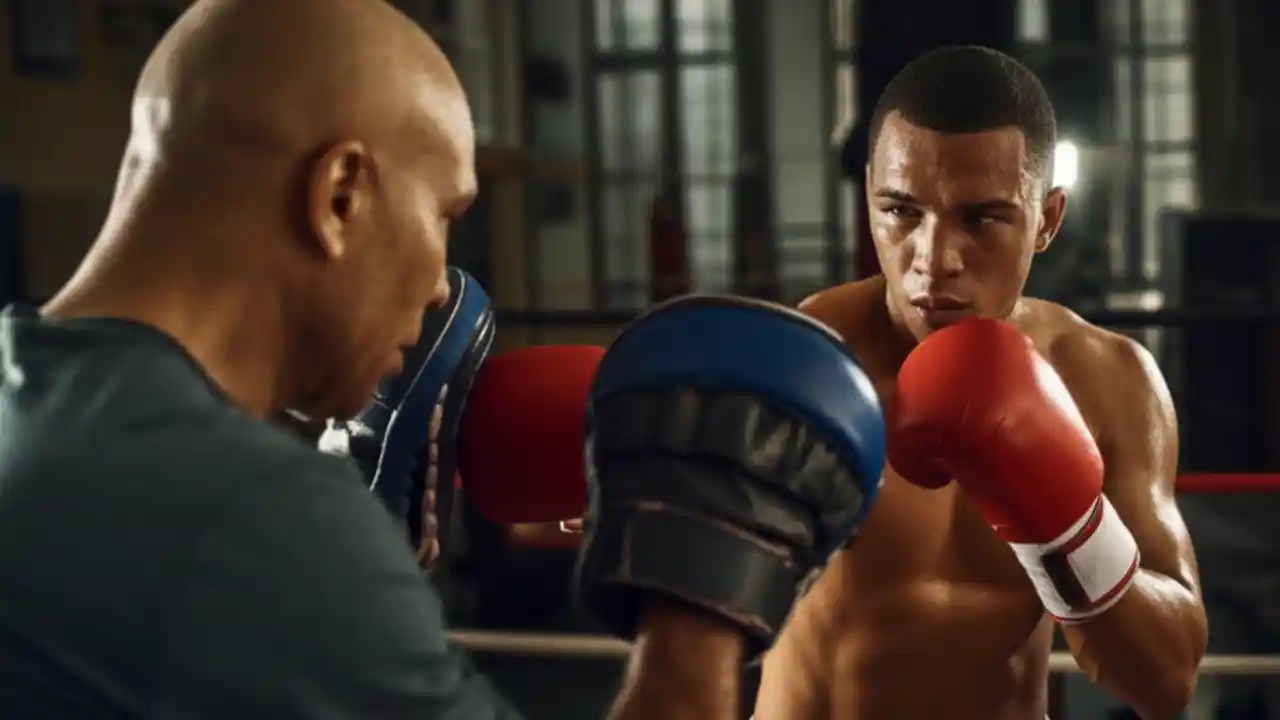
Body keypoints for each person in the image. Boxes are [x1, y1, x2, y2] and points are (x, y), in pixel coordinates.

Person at [0, 1, 884, 718]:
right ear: (340, 195)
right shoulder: (245, 519)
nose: (438, 286)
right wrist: (696, 623)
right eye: (447, 214)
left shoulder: (36, 409)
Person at [753, 45, 1209, 720]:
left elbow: (1167, 679)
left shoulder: (1108, 383)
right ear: (870, 198)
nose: (934, 261)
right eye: (902, 211)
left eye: (981, 218)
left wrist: (1067, 528)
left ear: (1047, 219)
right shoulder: (800, 360)